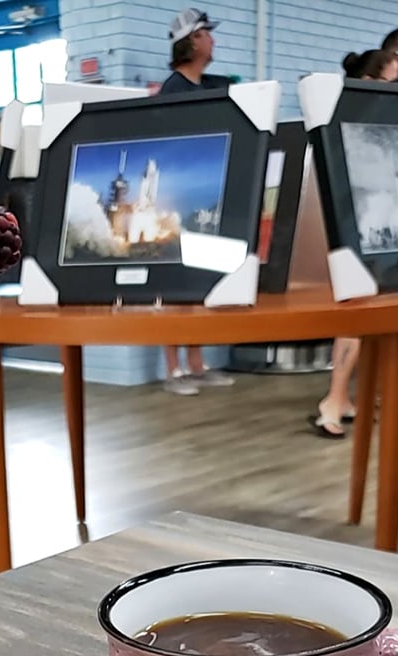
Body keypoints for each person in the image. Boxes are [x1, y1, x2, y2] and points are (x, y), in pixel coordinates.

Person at [310, 48, 398, 438]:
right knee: (355, 316)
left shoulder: (375, 122)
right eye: (387, 83)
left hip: (374, 224)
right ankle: (333, 400)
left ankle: (342, 397)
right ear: (368, 80)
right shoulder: (346, 118)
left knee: (362, 318)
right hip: (351, 226)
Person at [157, 9, 234, 395]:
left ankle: (198, 363)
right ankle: (173, 371)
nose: (212, 41)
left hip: (207, 196)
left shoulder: (208, 89)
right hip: (178, 198)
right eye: (206, 34)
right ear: (191, 41)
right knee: (174, 287)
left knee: (199, 284)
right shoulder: (173, 90)